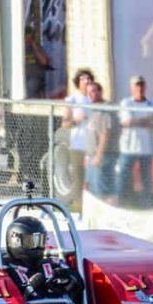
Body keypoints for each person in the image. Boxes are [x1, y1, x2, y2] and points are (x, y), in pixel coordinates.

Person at [118, 75, 153, 207]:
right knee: (124, 179)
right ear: (132, 87)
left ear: (145, 86)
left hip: (146, 149)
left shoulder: (152, 103)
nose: (139, 88)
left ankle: (145, 207)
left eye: (141, 85)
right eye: (136, 85)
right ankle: (123, 205)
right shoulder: (126, 103)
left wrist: (138, 121)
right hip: (128, 148)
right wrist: (146, 120)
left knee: (146, 182)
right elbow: (126, 122)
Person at [62, 68, 94, 211]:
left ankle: (92, 208)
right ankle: (79, 207)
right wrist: (76, 119)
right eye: (82, 79)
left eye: (88, 79)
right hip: (78, 144)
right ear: (78, 82)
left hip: (93, 144)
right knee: (78, 177)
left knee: (92, 178)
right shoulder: (72, 100)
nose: (86, 81)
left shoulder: (93, 99)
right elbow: (65, 124)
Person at [85, 81, 120, 204]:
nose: (91, 95)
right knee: (94, 188)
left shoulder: (105, 108)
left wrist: (99, 156)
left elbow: (106, 133)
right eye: (88, 92)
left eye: (94, 91)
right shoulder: (92, 109)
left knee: (103, 189)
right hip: (92, 155)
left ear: (100, 92)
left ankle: (109, 214)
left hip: (104, 155)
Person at [24, 28, 50, 99]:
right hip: (23, 78)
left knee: (31, 85)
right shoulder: (19, 48)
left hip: (36, 78)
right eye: (27, 37)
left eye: (31, 38)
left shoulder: (38, 48)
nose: (28, 40)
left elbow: (45, 62)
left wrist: (34, 47)